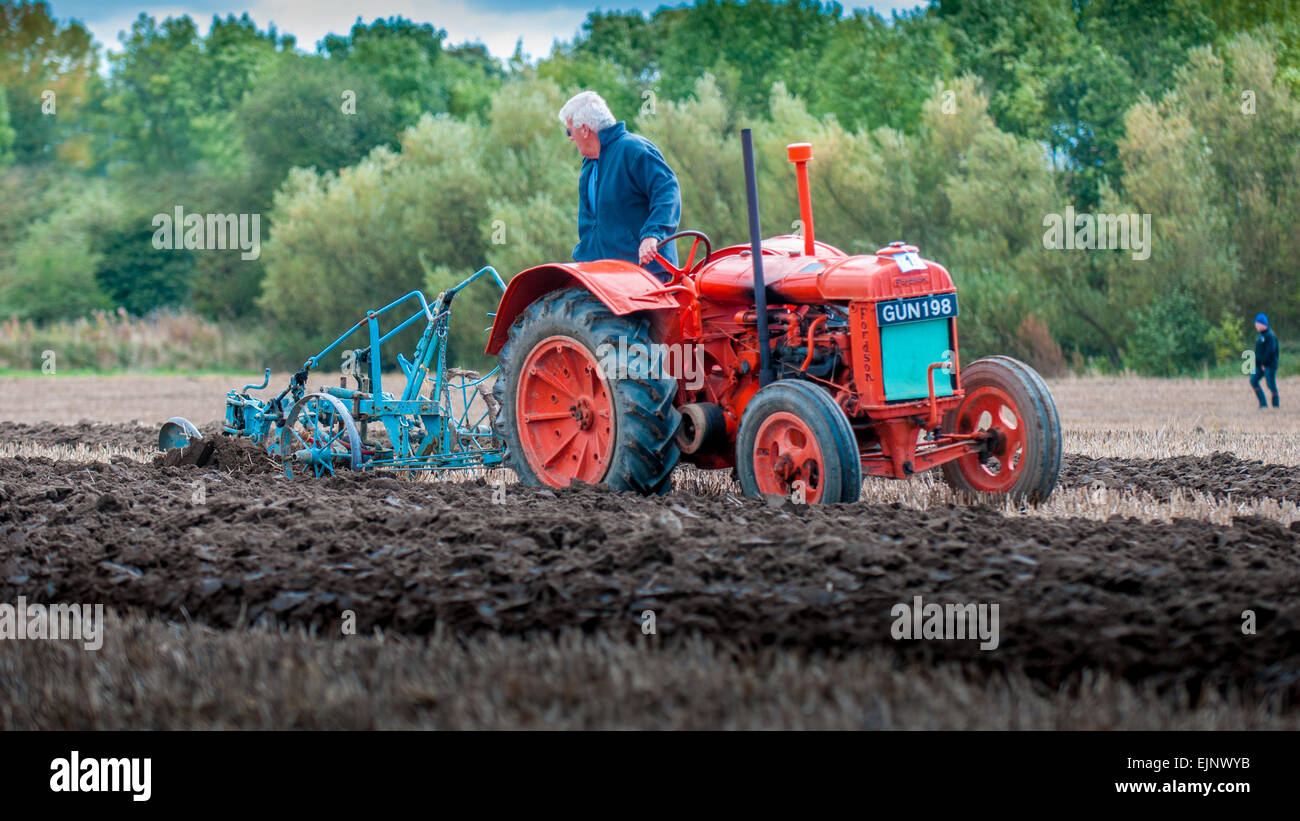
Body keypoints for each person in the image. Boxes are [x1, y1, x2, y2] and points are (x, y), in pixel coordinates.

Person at [559, 91, 682, 281]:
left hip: (646, 274)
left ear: (584, 129)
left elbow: (667, 191)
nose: (570, 138)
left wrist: (652, 234)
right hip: (604, 275)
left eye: (569, 131)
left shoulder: (633, 149)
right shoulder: (590, 164)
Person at [1251, 313, 1280, 408]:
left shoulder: (1270, 336)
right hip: (1259, 365)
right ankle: (1263, 403)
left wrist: (1264, 363)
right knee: (1253, 380)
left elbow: (1270, 351)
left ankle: (1275, 405)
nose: (1256, 326)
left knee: (1270, 384)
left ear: (1263, 324)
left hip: (1269, 365)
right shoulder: (1260, 336)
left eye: (1257, 323)